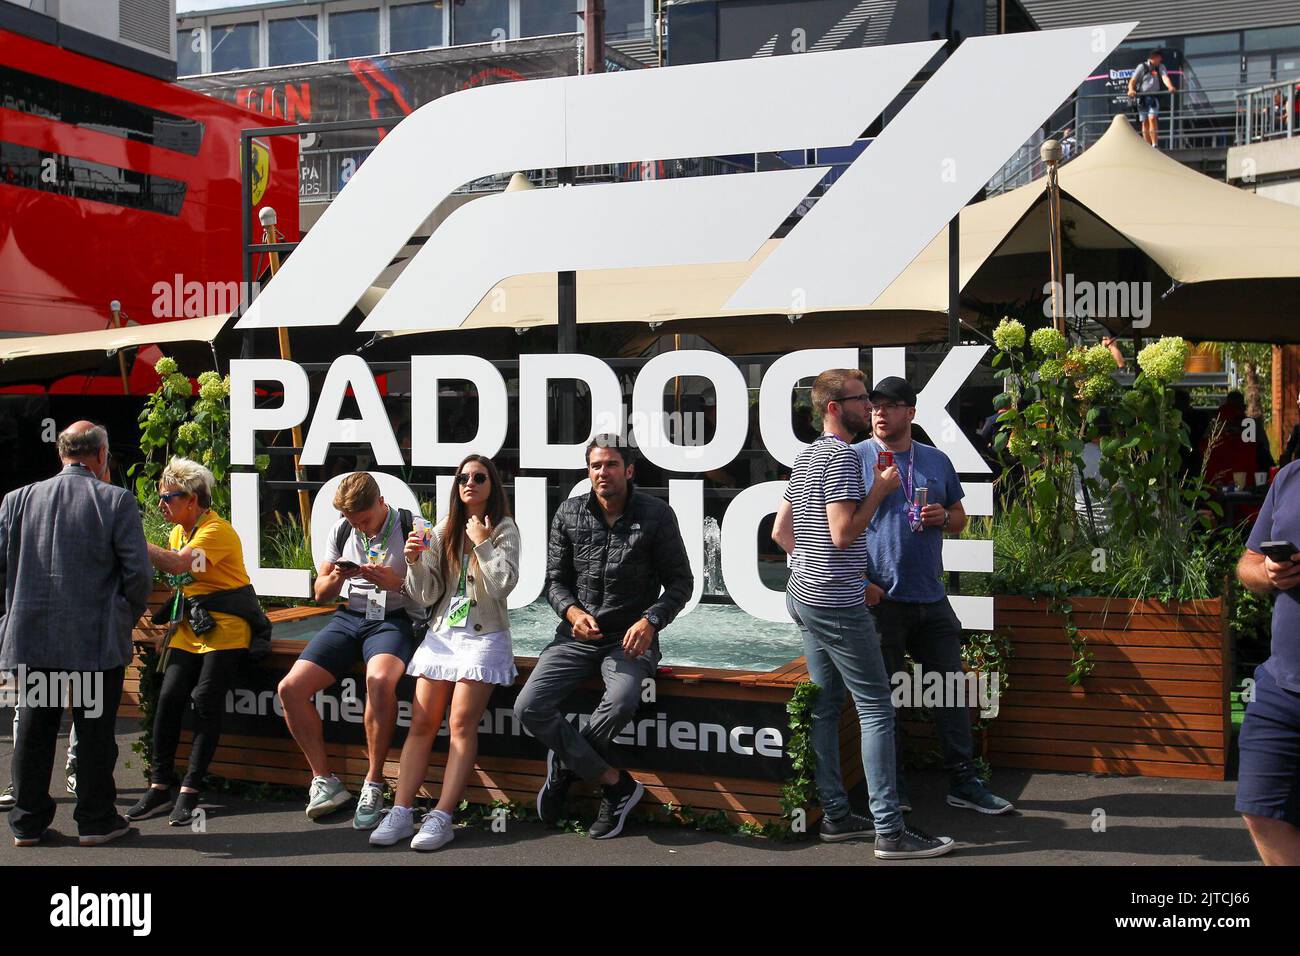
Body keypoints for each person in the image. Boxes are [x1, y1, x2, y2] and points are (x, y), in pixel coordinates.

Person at [772, 370, 955, 859]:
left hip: (803, 594)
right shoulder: (842, 457)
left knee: (828, 705)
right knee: (876, 708)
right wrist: (881, 490)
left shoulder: (806, 455)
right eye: (860, 398)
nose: (870, 406)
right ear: (834, 407)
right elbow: (842, 534)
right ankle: (890, 831)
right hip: (836, 604)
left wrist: (814, 570)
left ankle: (835, 816)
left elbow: (780, 533)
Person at [515, 435, 692, 840]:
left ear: (629, 471)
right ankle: (616, 784)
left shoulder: (656, 515)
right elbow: (555, 583)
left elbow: (681, 583)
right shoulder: (569, 512)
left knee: (623, 699)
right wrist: (572, 612)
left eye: (611, 465)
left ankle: (565, 765)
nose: (602, 473)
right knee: (528, 706)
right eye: (596, 466)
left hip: (630, 639)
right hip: (575, 636)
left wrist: (651, 620)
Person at [853, 376, 1014, 817]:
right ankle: (896, 791)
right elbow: (834, 531)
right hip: (880, 600)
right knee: (884, 703)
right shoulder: (854, 459)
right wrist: (860, 583)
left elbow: (961, 518)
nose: (880, 413)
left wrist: (945, 516)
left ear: (911, 412)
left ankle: (964, 781)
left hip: (931, 597)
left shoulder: (935, 461)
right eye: (875, 406)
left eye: (890, 406)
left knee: (951, 693)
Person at [0, 422, 152, 847]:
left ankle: (26, 824)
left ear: (61, 454)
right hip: (94, 639)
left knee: (33, 730)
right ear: (102, 455)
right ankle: (96, 820)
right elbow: (138, 574)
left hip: (29, 637)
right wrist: (126, 613)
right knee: (93, 733)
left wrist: (10, 615)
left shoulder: (17, 500)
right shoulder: (115, 500)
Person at [369, 455, 521, 851]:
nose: (469, 483)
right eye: (463, 478)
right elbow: (425, 595)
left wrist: (483, 544)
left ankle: (442, 816)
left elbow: (504, 585)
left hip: (483, 636)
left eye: (479, 477)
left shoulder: (503, 528)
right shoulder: (441, 530)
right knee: (421, 722)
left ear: (492, 484)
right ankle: (402, 811)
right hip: (442, 635)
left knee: (459, 724)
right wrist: (415, 561)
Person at [126, 457, 268, 827]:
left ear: (192, 499)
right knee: (169, 697)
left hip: (227, 624)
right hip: (193, 625)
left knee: (205, 699)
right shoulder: (178, 533)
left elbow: (176, 565)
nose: (161, 505)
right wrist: (170, 628)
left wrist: (130, 537)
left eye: (168, 497)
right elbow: (183, 585)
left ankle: (190, 788)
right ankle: (159, 787)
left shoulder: (216, 531)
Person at [277, 472, 423, 827]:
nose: (361, 527)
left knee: (379, 679)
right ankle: (325, 781)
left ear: (381, 502)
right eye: (353, 521)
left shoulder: (415, 527)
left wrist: (396, 582)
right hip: (351, 616)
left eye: (366, 520)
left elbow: (435, 591)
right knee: (290, 688)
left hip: (394, 617)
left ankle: (373, 782)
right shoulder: (343, 530)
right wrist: (338, 577)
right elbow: (320, 592)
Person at [1235, 461, 1300, 864]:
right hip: (1281, 683)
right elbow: (1247, 564)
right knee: (1261, 810)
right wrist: (1270, 572)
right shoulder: (1291, 476)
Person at [1127, 49, 1175, 147]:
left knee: (1152, 117)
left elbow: (1165, 78)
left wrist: (1170, 86)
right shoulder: (1142, 67)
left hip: (1153, 97)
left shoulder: (1161, 67)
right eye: (1159, 57)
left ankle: (1154, 144)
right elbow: (1133, 80)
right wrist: (1131, 90)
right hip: (1142, 98)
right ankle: (1147, 146)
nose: (1161, 59)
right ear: (1153, 57)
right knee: (1144, 122)